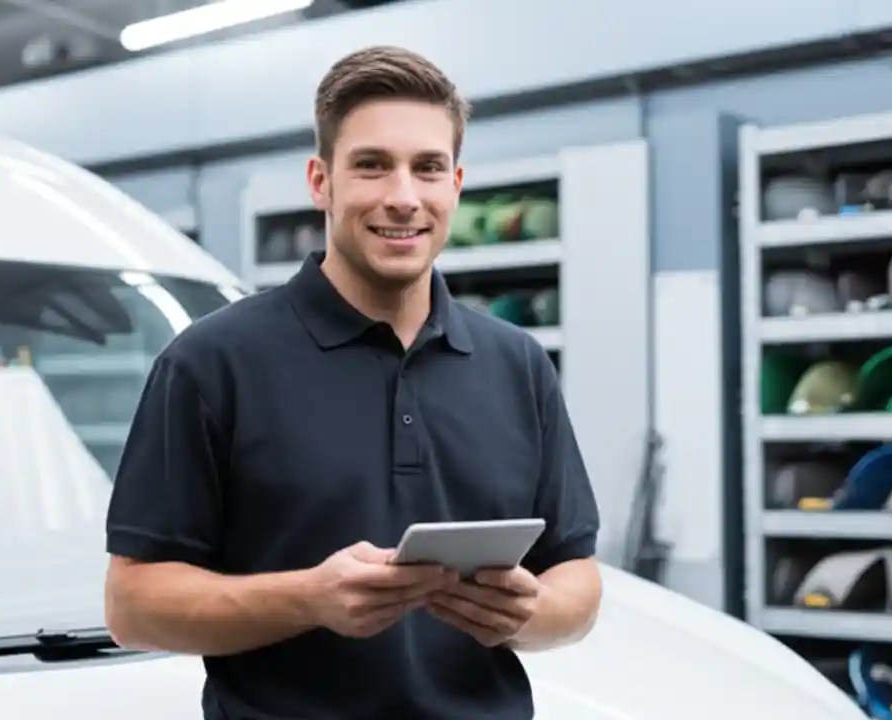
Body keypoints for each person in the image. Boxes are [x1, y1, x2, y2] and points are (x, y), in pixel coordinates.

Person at [103, 44, 602, 719]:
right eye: (371, 166)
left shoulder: (517, 365)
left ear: (455, 184)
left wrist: (527, 613)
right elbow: (133, 606)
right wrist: (307, 598)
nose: (403, 198)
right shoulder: (212, 363)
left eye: (427, 168)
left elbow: (577, 576)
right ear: (321, 181)